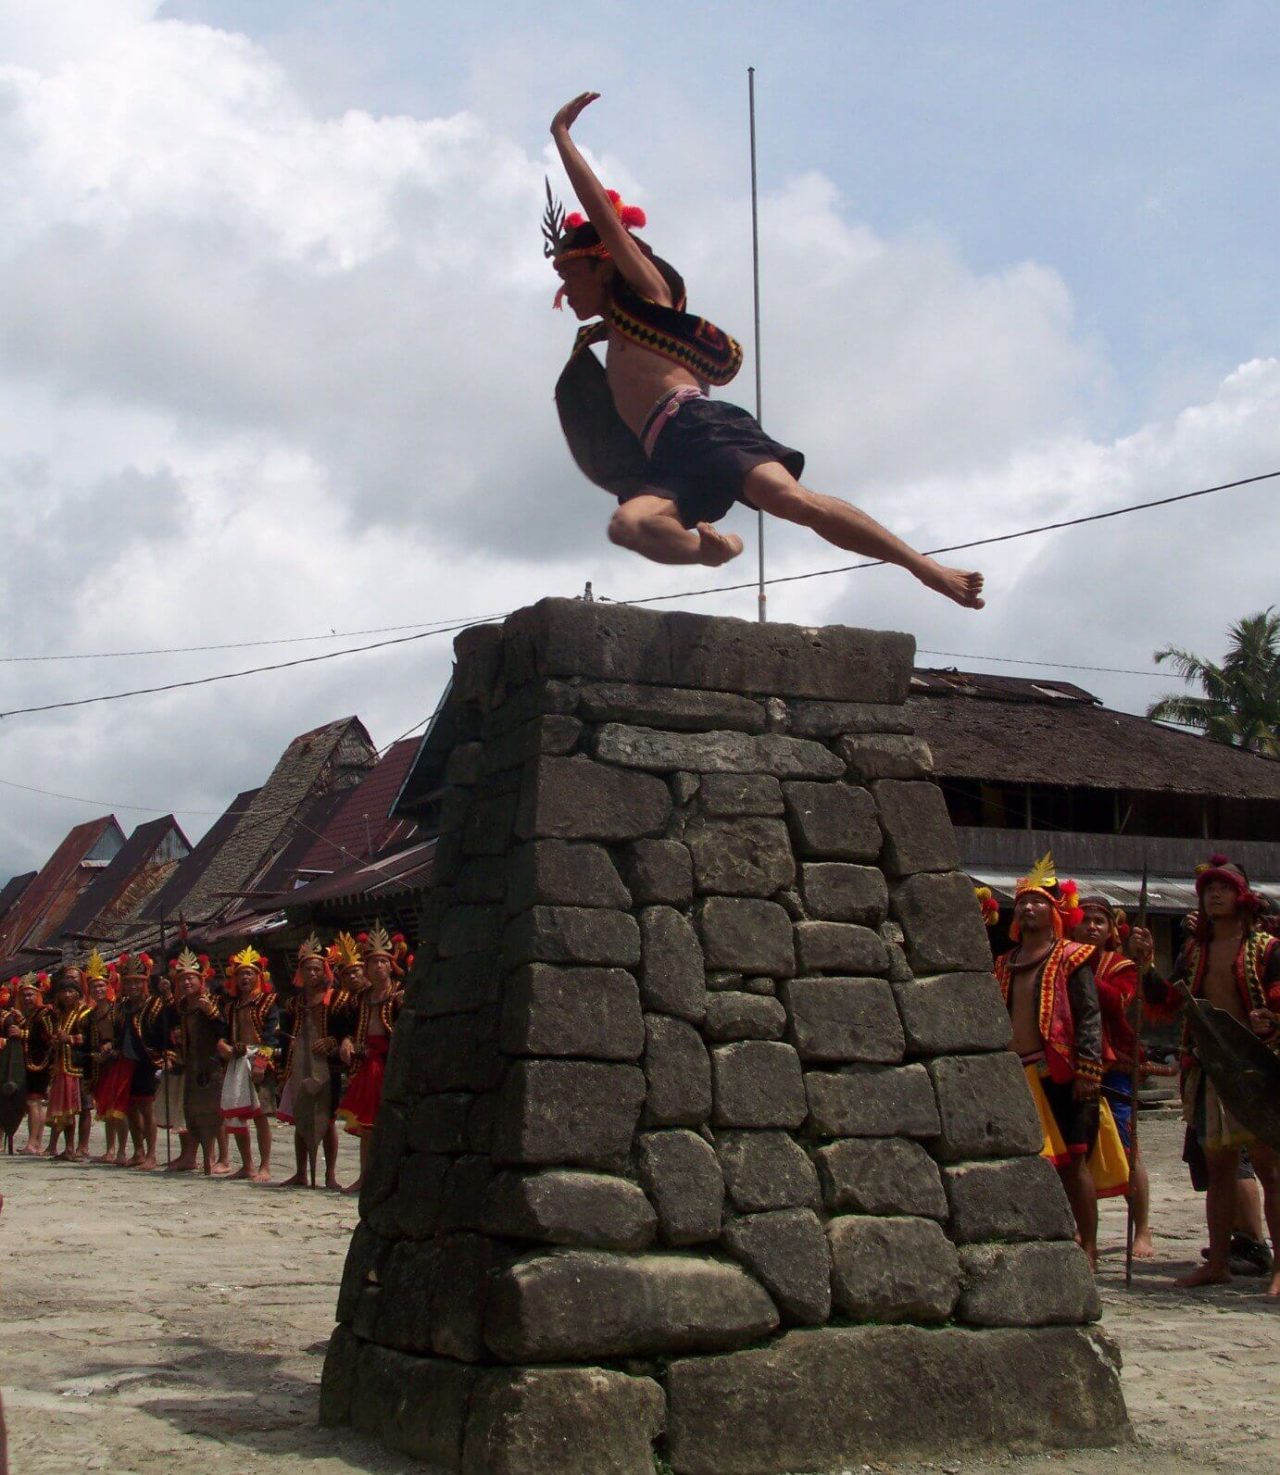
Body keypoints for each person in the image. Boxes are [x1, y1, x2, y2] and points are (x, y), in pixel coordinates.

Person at [546, 92, 985, 608]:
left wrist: (562, 137)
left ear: (603, 264)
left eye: (569, 273)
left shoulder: (648, 296)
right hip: (665, 455)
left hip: (699, 426)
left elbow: (604, 216)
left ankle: (926, 568)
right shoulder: (610, 338)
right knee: (627, 526)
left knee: (791, 501)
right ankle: (712, 551)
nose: (564, 289)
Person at [1143, 855, 1280, 1292]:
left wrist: (1272, 1020)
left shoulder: (1269, 949)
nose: (1213, 894)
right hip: (1210, 1068)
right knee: (1218, 1167)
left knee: (1269, 1169)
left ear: (1242, 896)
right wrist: (1145, 966)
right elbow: (1169, 1002)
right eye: (1207, 889)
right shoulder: (1194, 951)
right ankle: (1218, 1261)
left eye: (1222, 887)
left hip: (1258, 1068)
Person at [993, 854, 1127, 1268]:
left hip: (1064, 1072)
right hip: (1018, 1071)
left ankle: (1087, 1244)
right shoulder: (1004, 963)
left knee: (1074, 1161)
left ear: (1055, 911)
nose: (1028, 908)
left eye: (1037, 902)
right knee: (1026, 1162)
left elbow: (1088, 1014)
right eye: (1023, 903)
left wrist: (1089, 1067)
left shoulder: (1073, 956)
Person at [1073, 897, 1153, 1258]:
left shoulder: (1122, 965)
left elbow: (1119, 1003)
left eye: (1099, 922)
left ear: (1110, 930)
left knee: (1126, 1149)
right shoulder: (1060, 958)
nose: (1091, 927)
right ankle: (1082, 1228)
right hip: (1074, 1066)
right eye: (1085, 920)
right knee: (1076, 1152)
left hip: (1116, 1069)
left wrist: (1084, 964)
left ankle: (1143, 1230)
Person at [334, 926, 404, 1195]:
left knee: (387, 1123)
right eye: (373, 962)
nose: (378, 966)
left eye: (383, 961)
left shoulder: (399, 994)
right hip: (366, 1063)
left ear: (391, 965)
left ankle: (390, 1179)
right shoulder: (359, 999)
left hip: (389, 1062)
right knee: (367, 1125)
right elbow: (344, 1027)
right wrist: (346, 1041)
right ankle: (365, 1176)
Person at [277, 934, 342, 1190]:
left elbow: (346, 1029)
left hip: (329, 1067)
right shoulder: (294, 1004)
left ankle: (330, 1174)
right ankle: (301, 1172)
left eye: (317, 968)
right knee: (301, 1116)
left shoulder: (337, 999)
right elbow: (286, 1035)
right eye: (307, 968)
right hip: (300, 1064)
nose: (312, 973)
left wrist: (333, 1042)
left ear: (323, 970)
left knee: (327, 1119)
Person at [217, 945, 279, 1183]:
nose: (244, 978)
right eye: (241, 973)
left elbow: (271, 1036)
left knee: (261, 1114)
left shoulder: (268, 1001)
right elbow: (223, 1033)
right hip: (237, 1058)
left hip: (259, 1060)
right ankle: (247, 1164)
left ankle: (265, 1165)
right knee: (236, 1113)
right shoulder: (231, 1006)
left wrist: (262, 1063)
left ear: (258, 976)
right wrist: (222, 1044)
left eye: (249, 973)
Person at [169, 948, 229, 1177]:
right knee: (194, 1111)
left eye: (190, 978)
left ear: (200, 979)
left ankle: (223, 1158)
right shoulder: (182, 1006)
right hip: (192, 1061)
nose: (186, 982)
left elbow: (225, 1029)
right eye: (182, 979)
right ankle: (202, 1157)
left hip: (212, 1061)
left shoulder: (214, 1000)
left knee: (216, 1111)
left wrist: (212, 1013)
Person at [115, 954, 165, 1170]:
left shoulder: (155, 1004)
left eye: (137, 981)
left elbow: (162, 1034)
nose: (133, 986)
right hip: (126, 1063)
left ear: (145, 983)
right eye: (129, 982)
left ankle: (152, 1154)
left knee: (146, 1107)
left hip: (148, 1061)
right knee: (130, 1108)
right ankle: (138, 1150)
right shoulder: (122, 1006)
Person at [85, 953, 132, 1167]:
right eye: (94, 987)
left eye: (102, 986)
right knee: (105, 1109)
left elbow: (124, 1034)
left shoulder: (118, 1010)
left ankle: (122, 1150)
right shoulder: (91, 1016)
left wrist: (113, 1047)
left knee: (118, 1109)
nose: (98, 991)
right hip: (103, 1064)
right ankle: (110, 1149)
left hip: (120, 1061)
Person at [43, 971, 91, 1161]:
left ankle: (82, 1147)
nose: (67, 995)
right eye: (64, 992)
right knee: (66, 1109)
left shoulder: (85, 1013)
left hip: (81, 1065)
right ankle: (69, 1147)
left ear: (78, 993)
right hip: (63, 1066)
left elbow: (89, 1038)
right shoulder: (58, 1015)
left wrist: (69, 1039)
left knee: (85, 1107)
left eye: (71, 991)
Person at [9, 973, 53, 1155]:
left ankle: (34, 1142)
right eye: (24, 995)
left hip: (40, 1062)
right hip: (30, 1063)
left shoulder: (45, 1013)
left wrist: (22, 1034)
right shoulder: (32, 1014)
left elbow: (46, 1038)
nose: (27, 999)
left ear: (38, 995)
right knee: (32, 1102)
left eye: (30, 995)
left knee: (34, 1102)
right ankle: (33, 1141)